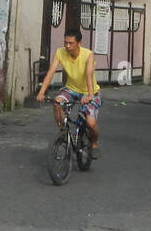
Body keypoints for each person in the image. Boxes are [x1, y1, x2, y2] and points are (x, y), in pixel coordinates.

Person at [35, 26, 101, 157]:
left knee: (91, 123)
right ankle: (63, 132)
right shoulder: (60, 52)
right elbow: (51, 72)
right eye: (65, 42)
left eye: (71, 43)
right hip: (70, 89)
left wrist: (90, 95)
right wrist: (41, 92)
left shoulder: (88, 54)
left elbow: (89, 74)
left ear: (79, 43)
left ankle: (93, 143)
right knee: (57, 103)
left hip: (89, 91)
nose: (67, 46)